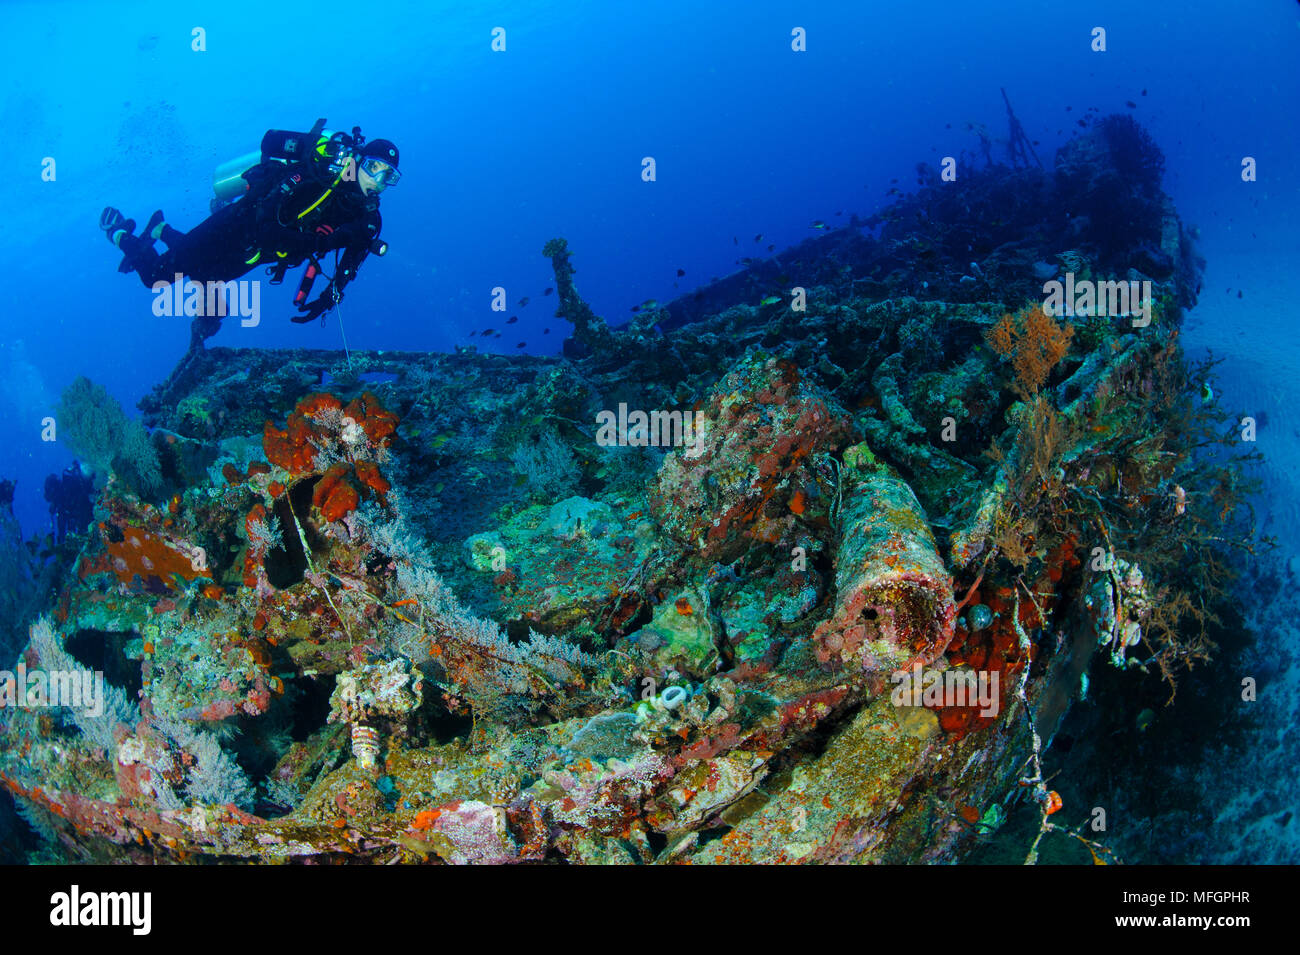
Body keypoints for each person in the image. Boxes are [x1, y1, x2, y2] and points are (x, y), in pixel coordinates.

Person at [100, 122, 399, 346]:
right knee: (156, 277)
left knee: (206, 291)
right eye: (374, 167)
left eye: (389, 175)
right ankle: (120, 233)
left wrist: (329, 297)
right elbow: (269, 228)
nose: (379, 180)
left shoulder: (367, 218)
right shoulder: (318, 176)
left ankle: (160, 229)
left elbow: (352, 260)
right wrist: (323, 242)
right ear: (359, 160)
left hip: (255, 253)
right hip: (234, 225)